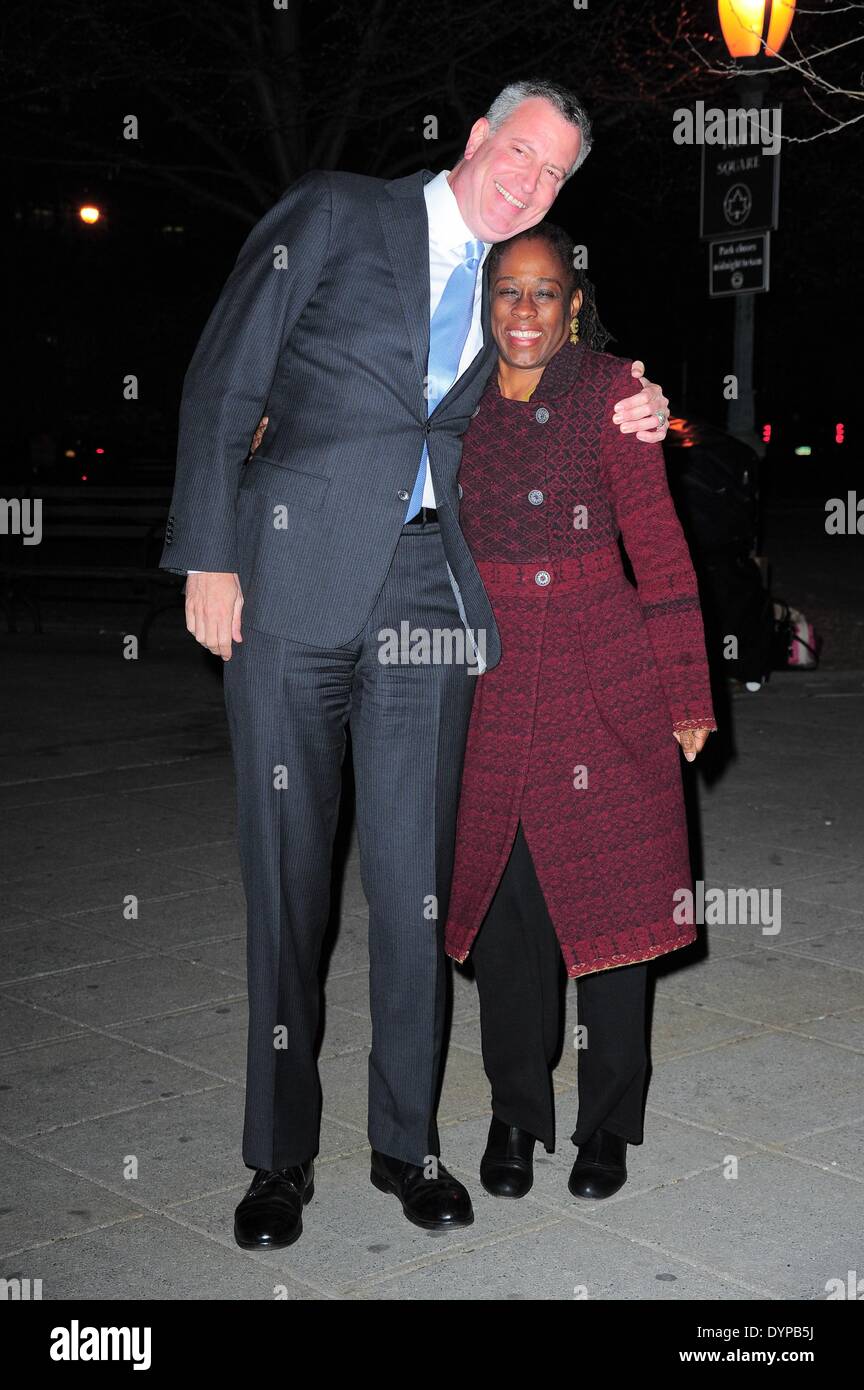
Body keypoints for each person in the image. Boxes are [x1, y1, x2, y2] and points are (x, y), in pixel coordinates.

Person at [160, 79, 672, 1248]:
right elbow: (222, 374)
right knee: (289, 886)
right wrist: (207, 556)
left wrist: (640, 403)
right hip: (287, 581)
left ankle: (409, 1142)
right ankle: (277, 1158)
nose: (530, 185)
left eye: (553, 179)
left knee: (415, 888)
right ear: (480, 137)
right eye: (523, 156)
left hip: (428, 599)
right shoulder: (337, 212)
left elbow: (566, 368)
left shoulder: (511, 289)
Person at [444, 222, 716, 1203]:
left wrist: (688, 685)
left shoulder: (609, 396)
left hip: (606, 673)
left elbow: (660, 546)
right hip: (495, 680)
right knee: (512, 922)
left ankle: (607, 1126)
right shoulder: (455, 400)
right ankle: (515, 1118)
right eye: (508, 292)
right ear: (486, 304)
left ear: (572, 306)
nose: (524, 310)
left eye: (544, 293)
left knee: (615, 916)